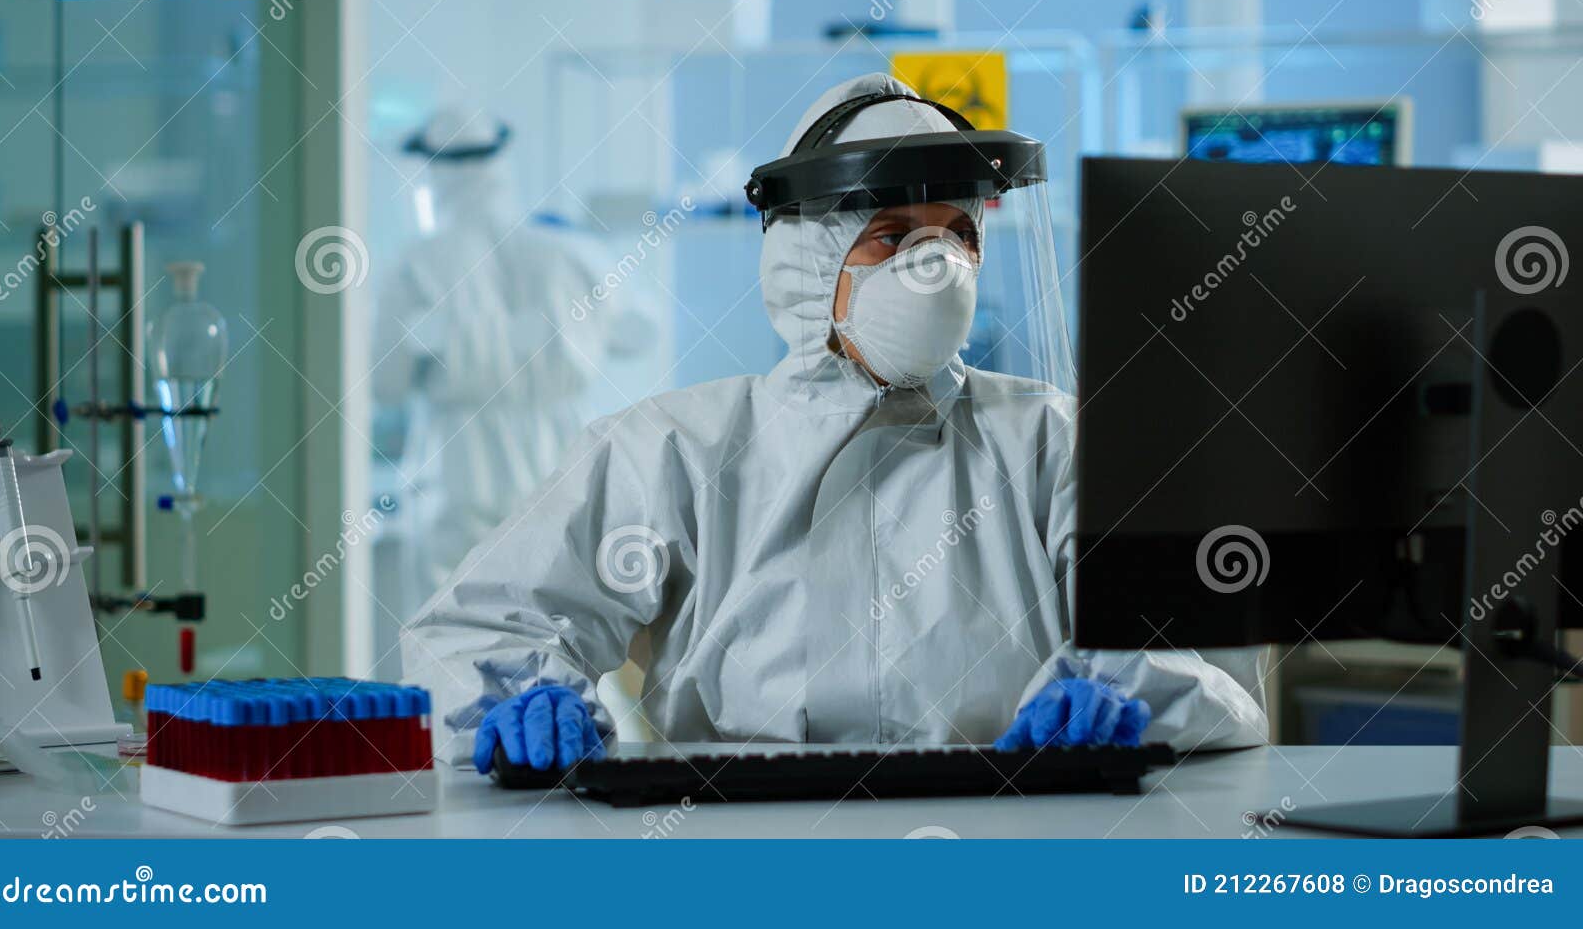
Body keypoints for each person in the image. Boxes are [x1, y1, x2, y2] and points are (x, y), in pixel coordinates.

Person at [401, 75, 1268, 772]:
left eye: (958, 234)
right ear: (812, 264)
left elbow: (1204, 657)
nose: (942, 267)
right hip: (739, 850)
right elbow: (484, 627)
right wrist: (524, 697)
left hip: (1015, 831)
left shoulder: (1052, 440)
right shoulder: (676, 447)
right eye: (893, 237)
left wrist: (1133, 693)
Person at [374, 108, 656, 613]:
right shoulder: (572, 250)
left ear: (433, 172)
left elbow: (385, 384)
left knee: (454, 633)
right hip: (560, 456)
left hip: (459, 466)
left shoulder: (416, 266)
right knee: (560, 623)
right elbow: (639, 333)